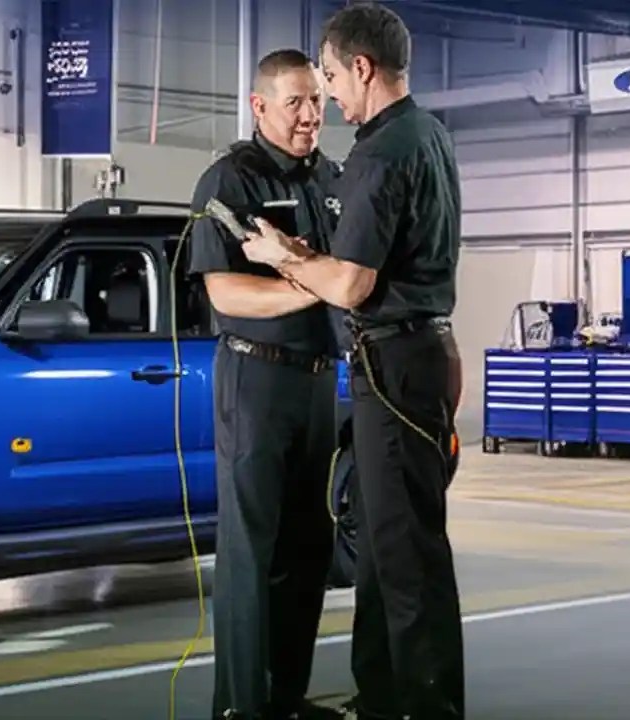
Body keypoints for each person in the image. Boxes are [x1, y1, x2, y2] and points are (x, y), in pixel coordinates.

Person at [240, 4, 466, 718]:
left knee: (405, 558)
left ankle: (424, 707)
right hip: (421, 357)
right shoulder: (429, 134)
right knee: (385, 545)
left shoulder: (379, 150)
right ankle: (383, 696)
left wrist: (282, 258)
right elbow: (372, 259)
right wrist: (316, 258)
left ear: (362, 68)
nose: (327, 99)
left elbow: (355, 284)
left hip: (393, 367)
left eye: (331, 78)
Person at [187, 47, 346, 720]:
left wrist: (305, 272)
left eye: (317, 100)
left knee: (309, 547)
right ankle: (241, 707)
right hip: (254, 376)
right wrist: (314, 283)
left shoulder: (334, 178)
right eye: (296, 103)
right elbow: (227, 294)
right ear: (260, 106)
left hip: (317, 382)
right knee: (251, 550)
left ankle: (286, 697)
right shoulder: (230, 181)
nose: (311, 114)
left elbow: (356, 267)